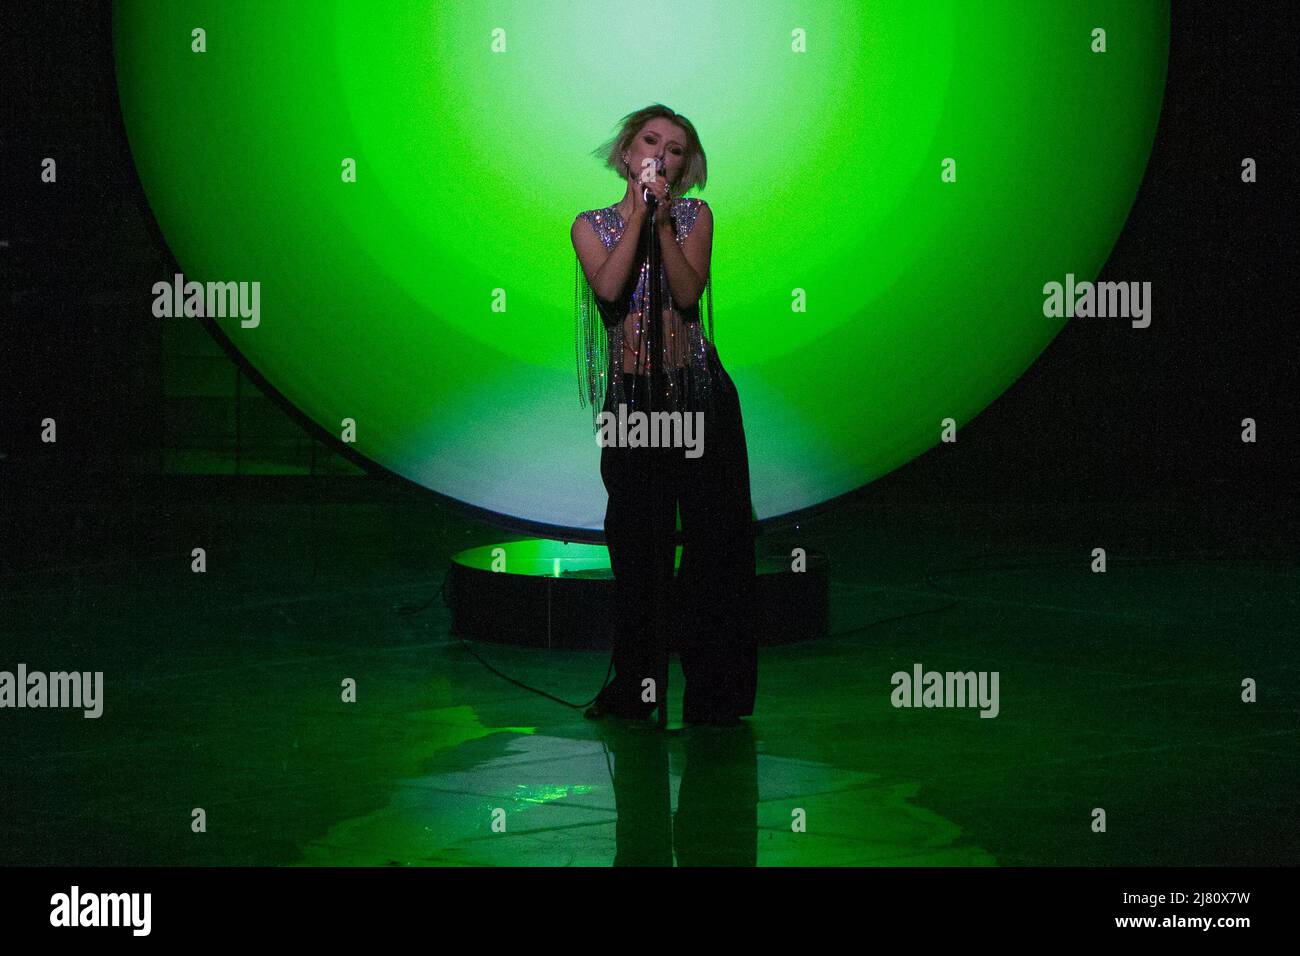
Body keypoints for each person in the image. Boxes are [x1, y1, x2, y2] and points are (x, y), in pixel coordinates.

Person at [570, 104, 757, 727]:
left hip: (698, 397)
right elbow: (609, 290)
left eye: (676, 149)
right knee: (636, 547)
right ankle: (635, 689)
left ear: (685, 165)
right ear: (626, 153)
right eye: (651, 142)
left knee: (713, 547)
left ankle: (715, 697)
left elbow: (684, 292)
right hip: (632, 406)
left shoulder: (695, 217)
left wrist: (664, 223)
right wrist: (640, 217)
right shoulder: (589, 225)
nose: (662, 154)